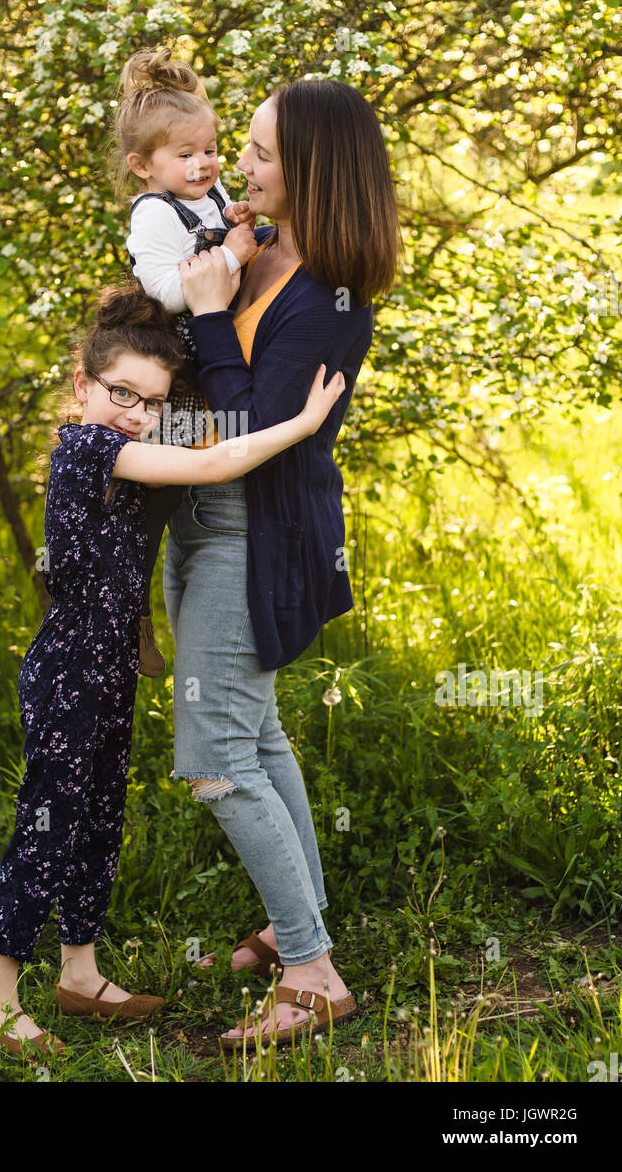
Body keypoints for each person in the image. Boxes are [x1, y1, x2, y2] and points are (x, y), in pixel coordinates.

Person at [0, 280, 345, 1061]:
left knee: (98, 821)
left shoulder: (132, 453)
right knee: (47, 824)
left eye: (151, 402)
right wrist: (304, 422)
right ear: (81, 386)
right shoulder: (88, 447)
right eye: (119, 393)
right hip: (70, 671)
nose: (134, 412)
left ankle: (79, 973)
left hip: (106, 670)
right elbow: (219, 464)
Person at [163, 75, 402, 1049]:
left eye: (259, 153)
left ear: (311, 170)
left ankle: (310, 973)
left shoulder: (330, 295)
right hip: (203, 520)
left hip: (257, 530)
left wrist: (213, 317)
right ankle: (290, 921)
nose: (237, 167)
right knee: (254, 734)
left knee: (213, 758)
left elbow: (253, 427)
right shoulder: (254, 247)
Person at [110, 46, 273, 677]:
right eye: (185, 155)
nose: (204, 163)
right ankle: (124, 610)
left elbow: (227, 238)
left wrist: (239, 224)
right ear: (142, 166)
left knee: (176, 490)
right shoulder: (153, 214)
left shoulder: (210, 194)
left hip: (206, 365)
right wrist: (232, 256)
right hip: (172, 374)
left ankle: (130, 603)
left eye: (209, 148)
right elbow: (170, 291)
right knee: (157, 492)